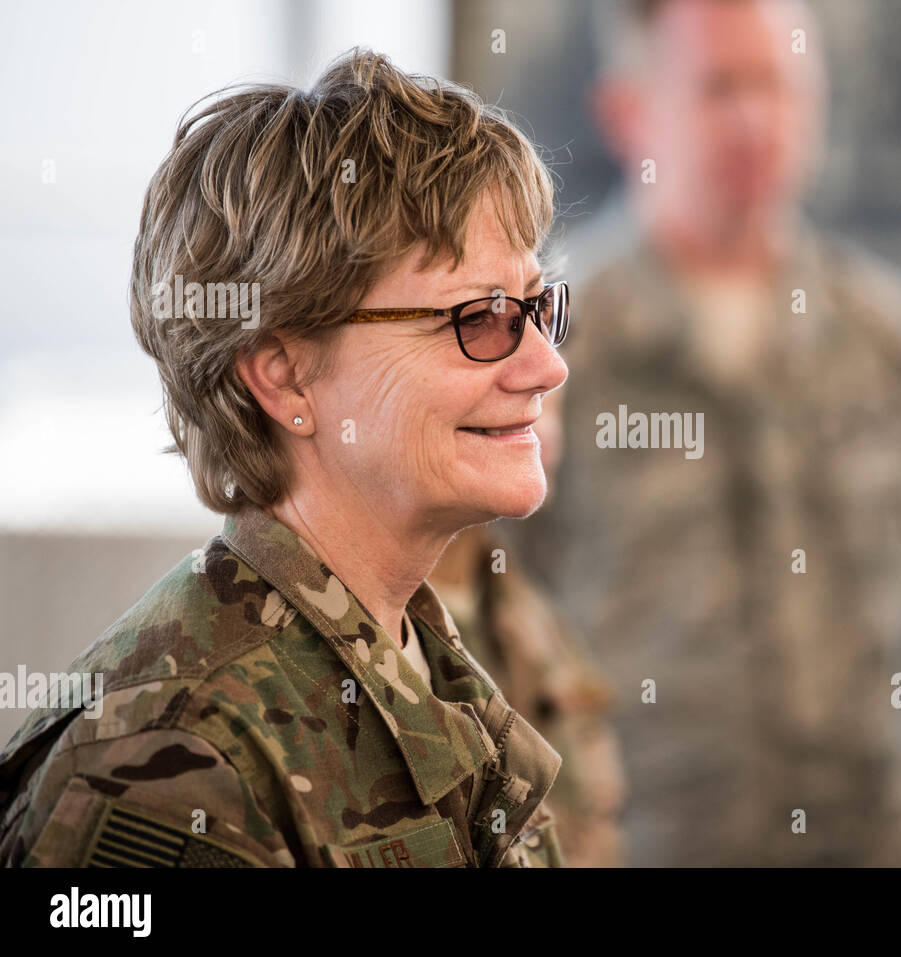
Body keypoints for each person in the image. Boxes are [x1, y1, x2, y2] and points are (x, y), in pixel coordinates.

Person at [0, 49, 572, 868]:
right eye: (480, 317)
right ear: (284, 373)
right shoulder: (173, 766)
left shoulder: (431, 668)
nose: (545, 364)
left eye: (537, 305)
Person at [517, 0, 901, 865]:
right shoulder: (548, 344)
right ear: (628, 110)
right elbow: (497, 619)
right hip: (639, 841)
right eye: (719, 89)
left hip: (869, 837)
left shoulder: (885, 338)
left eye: (779, 86)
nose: (757, 120)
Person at [428, 401, 627, 867]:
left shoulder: (529, 612)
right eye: (483, 327)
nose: (547, 375)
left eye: (552, 328)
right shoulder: (374, 633)